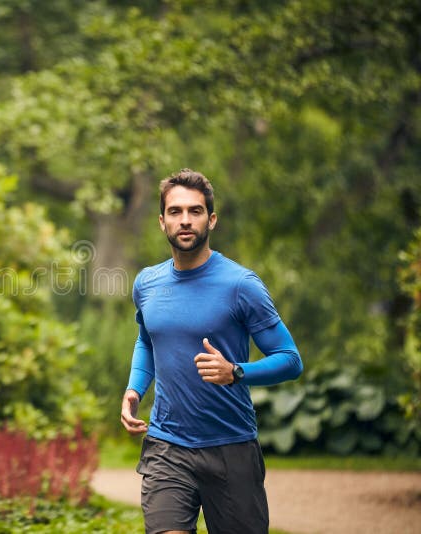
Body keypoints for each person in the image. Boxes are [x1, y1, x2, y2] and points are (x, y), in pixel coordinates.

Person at [120, 168, 303, 534]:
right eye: (175, 212)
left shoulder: (241, 285)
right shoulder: (147, 283)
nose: (185, 220)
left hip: (231, 447)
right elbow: (147, 340)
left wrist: (236, 371)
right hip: (167, 446)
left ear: (211, 219)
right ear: (162, 222)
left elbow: (290, 360)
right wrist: (134, 389)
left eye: (195, 211)